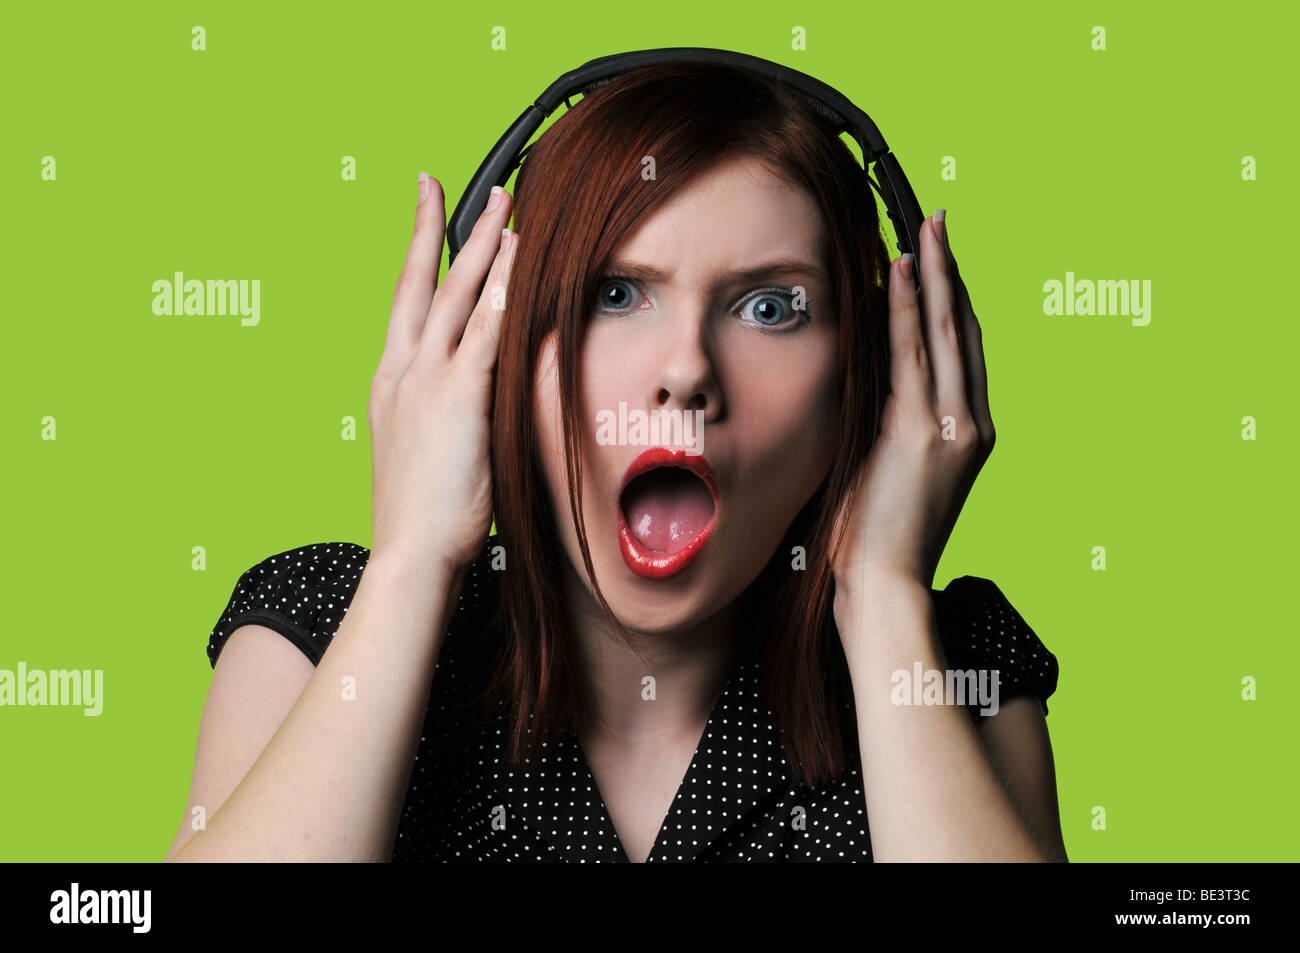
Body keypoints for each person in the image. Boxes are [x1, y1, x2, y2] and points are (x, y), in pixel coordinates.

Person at [165, 61, 1065, 863]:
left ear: (867, 389)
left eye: (769, 308)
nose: (685, 370)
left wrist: (882, 597)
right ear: (497, 352)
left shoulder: (955, 666)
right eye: (617, 293)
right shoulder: (318, 628)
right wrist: (409, 563)